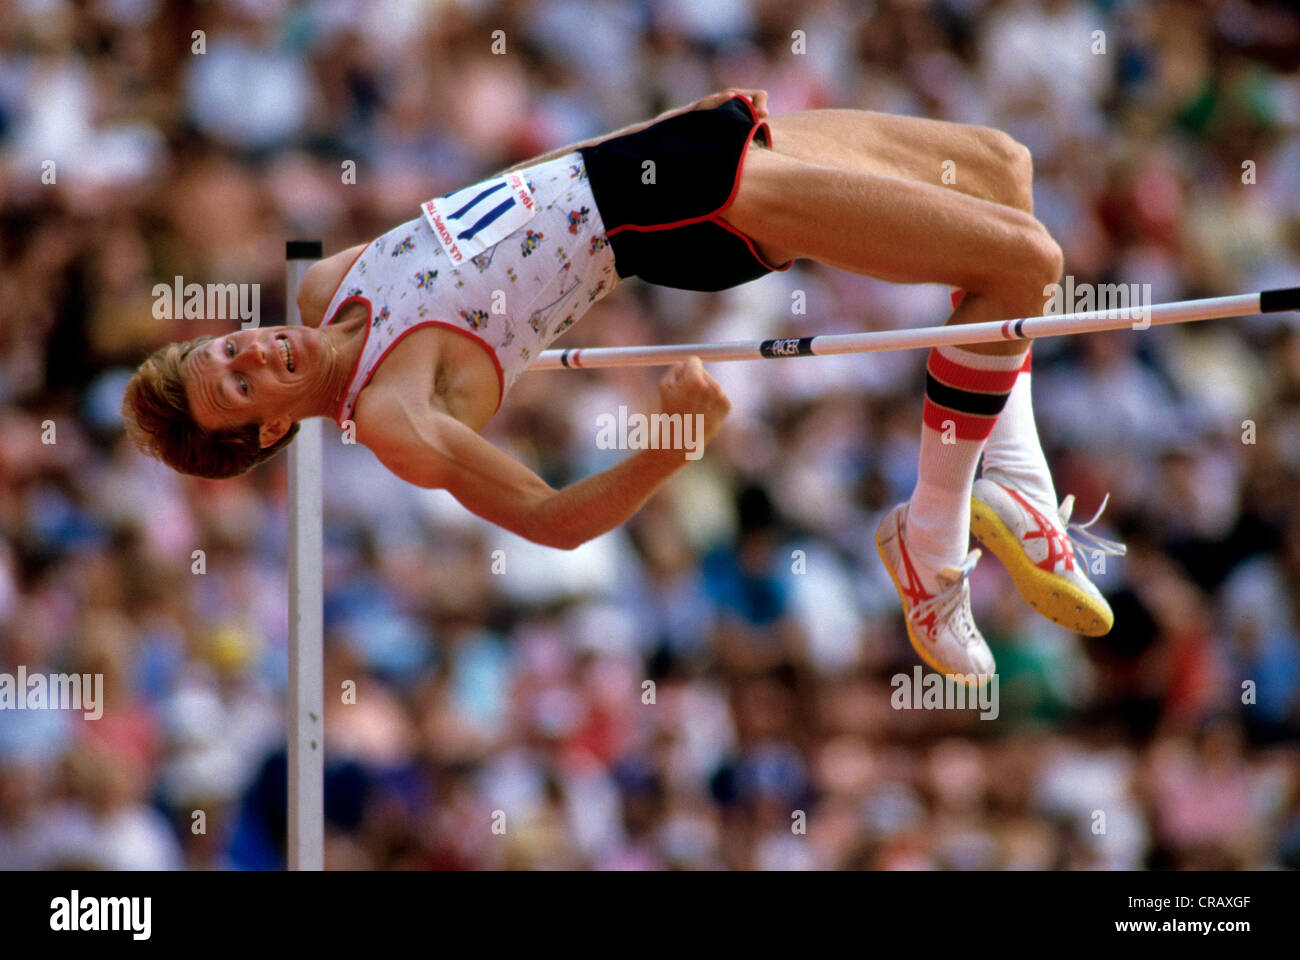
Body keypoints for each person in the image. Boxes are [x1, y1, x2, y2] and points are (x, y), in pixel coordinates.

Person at [122, 88, 1120, 681]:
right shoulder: (390, 412)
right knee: (1023, 262)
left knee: (1000, 169)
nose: (253, 355)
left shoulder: (324, 281)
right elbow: (551, 521)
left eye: (230, 350)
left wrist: (661, 121)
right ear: (262, 437)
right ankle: (933, 533)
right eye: (241, 388)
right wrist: (671, 444)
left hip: (645, 155)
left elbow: (509, 194)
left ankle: (1012, 487)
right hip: (673, 216)